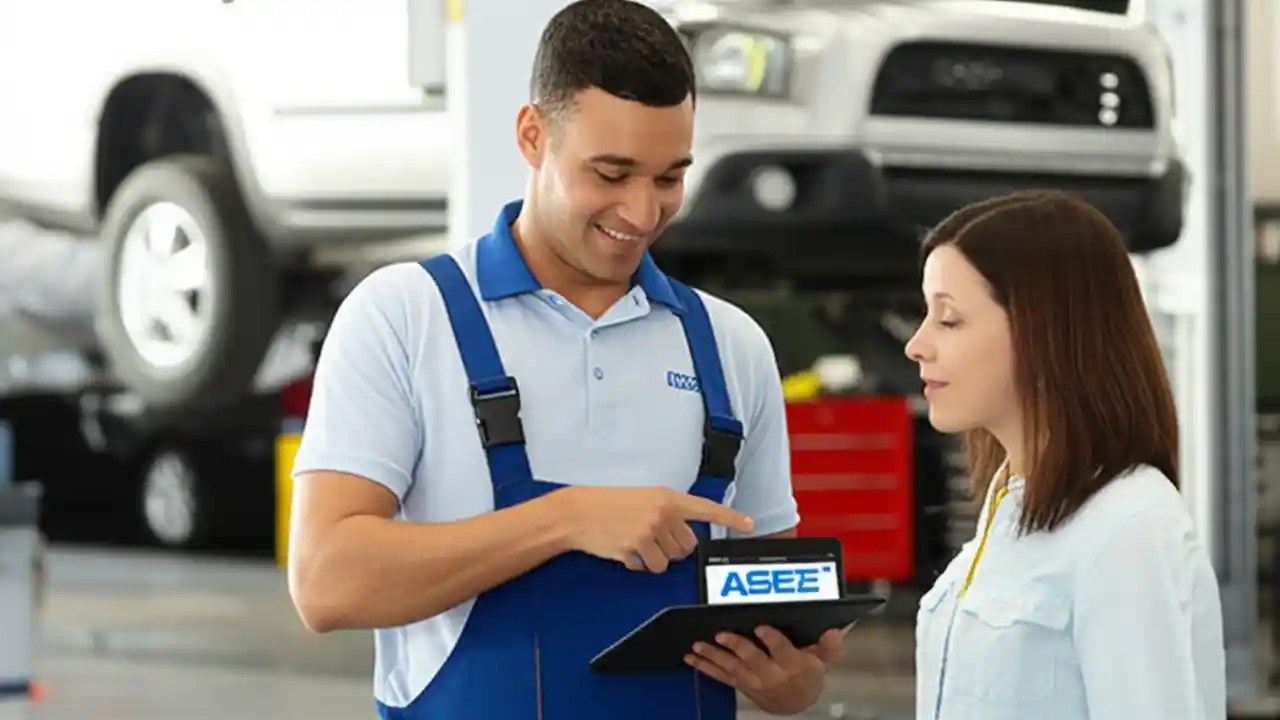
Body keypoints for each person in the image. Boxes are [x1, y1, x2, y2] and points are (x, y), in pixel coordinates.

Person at [285, 2, 844, 718]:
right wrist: (568, 519)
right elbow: (327, 582)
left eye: (669, 177)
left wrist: (793, 686)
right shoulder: (405, 317)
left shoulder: (732, 347)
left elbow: (781, 613)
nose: (642, 213)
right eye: (611, 174)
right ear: (532, 135)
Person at [905, 190, 1226, 720]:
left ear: (1044, 329)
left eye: (950, 319)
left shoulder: (1128, 526)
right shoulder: (1010, 504)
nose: (917, 344)